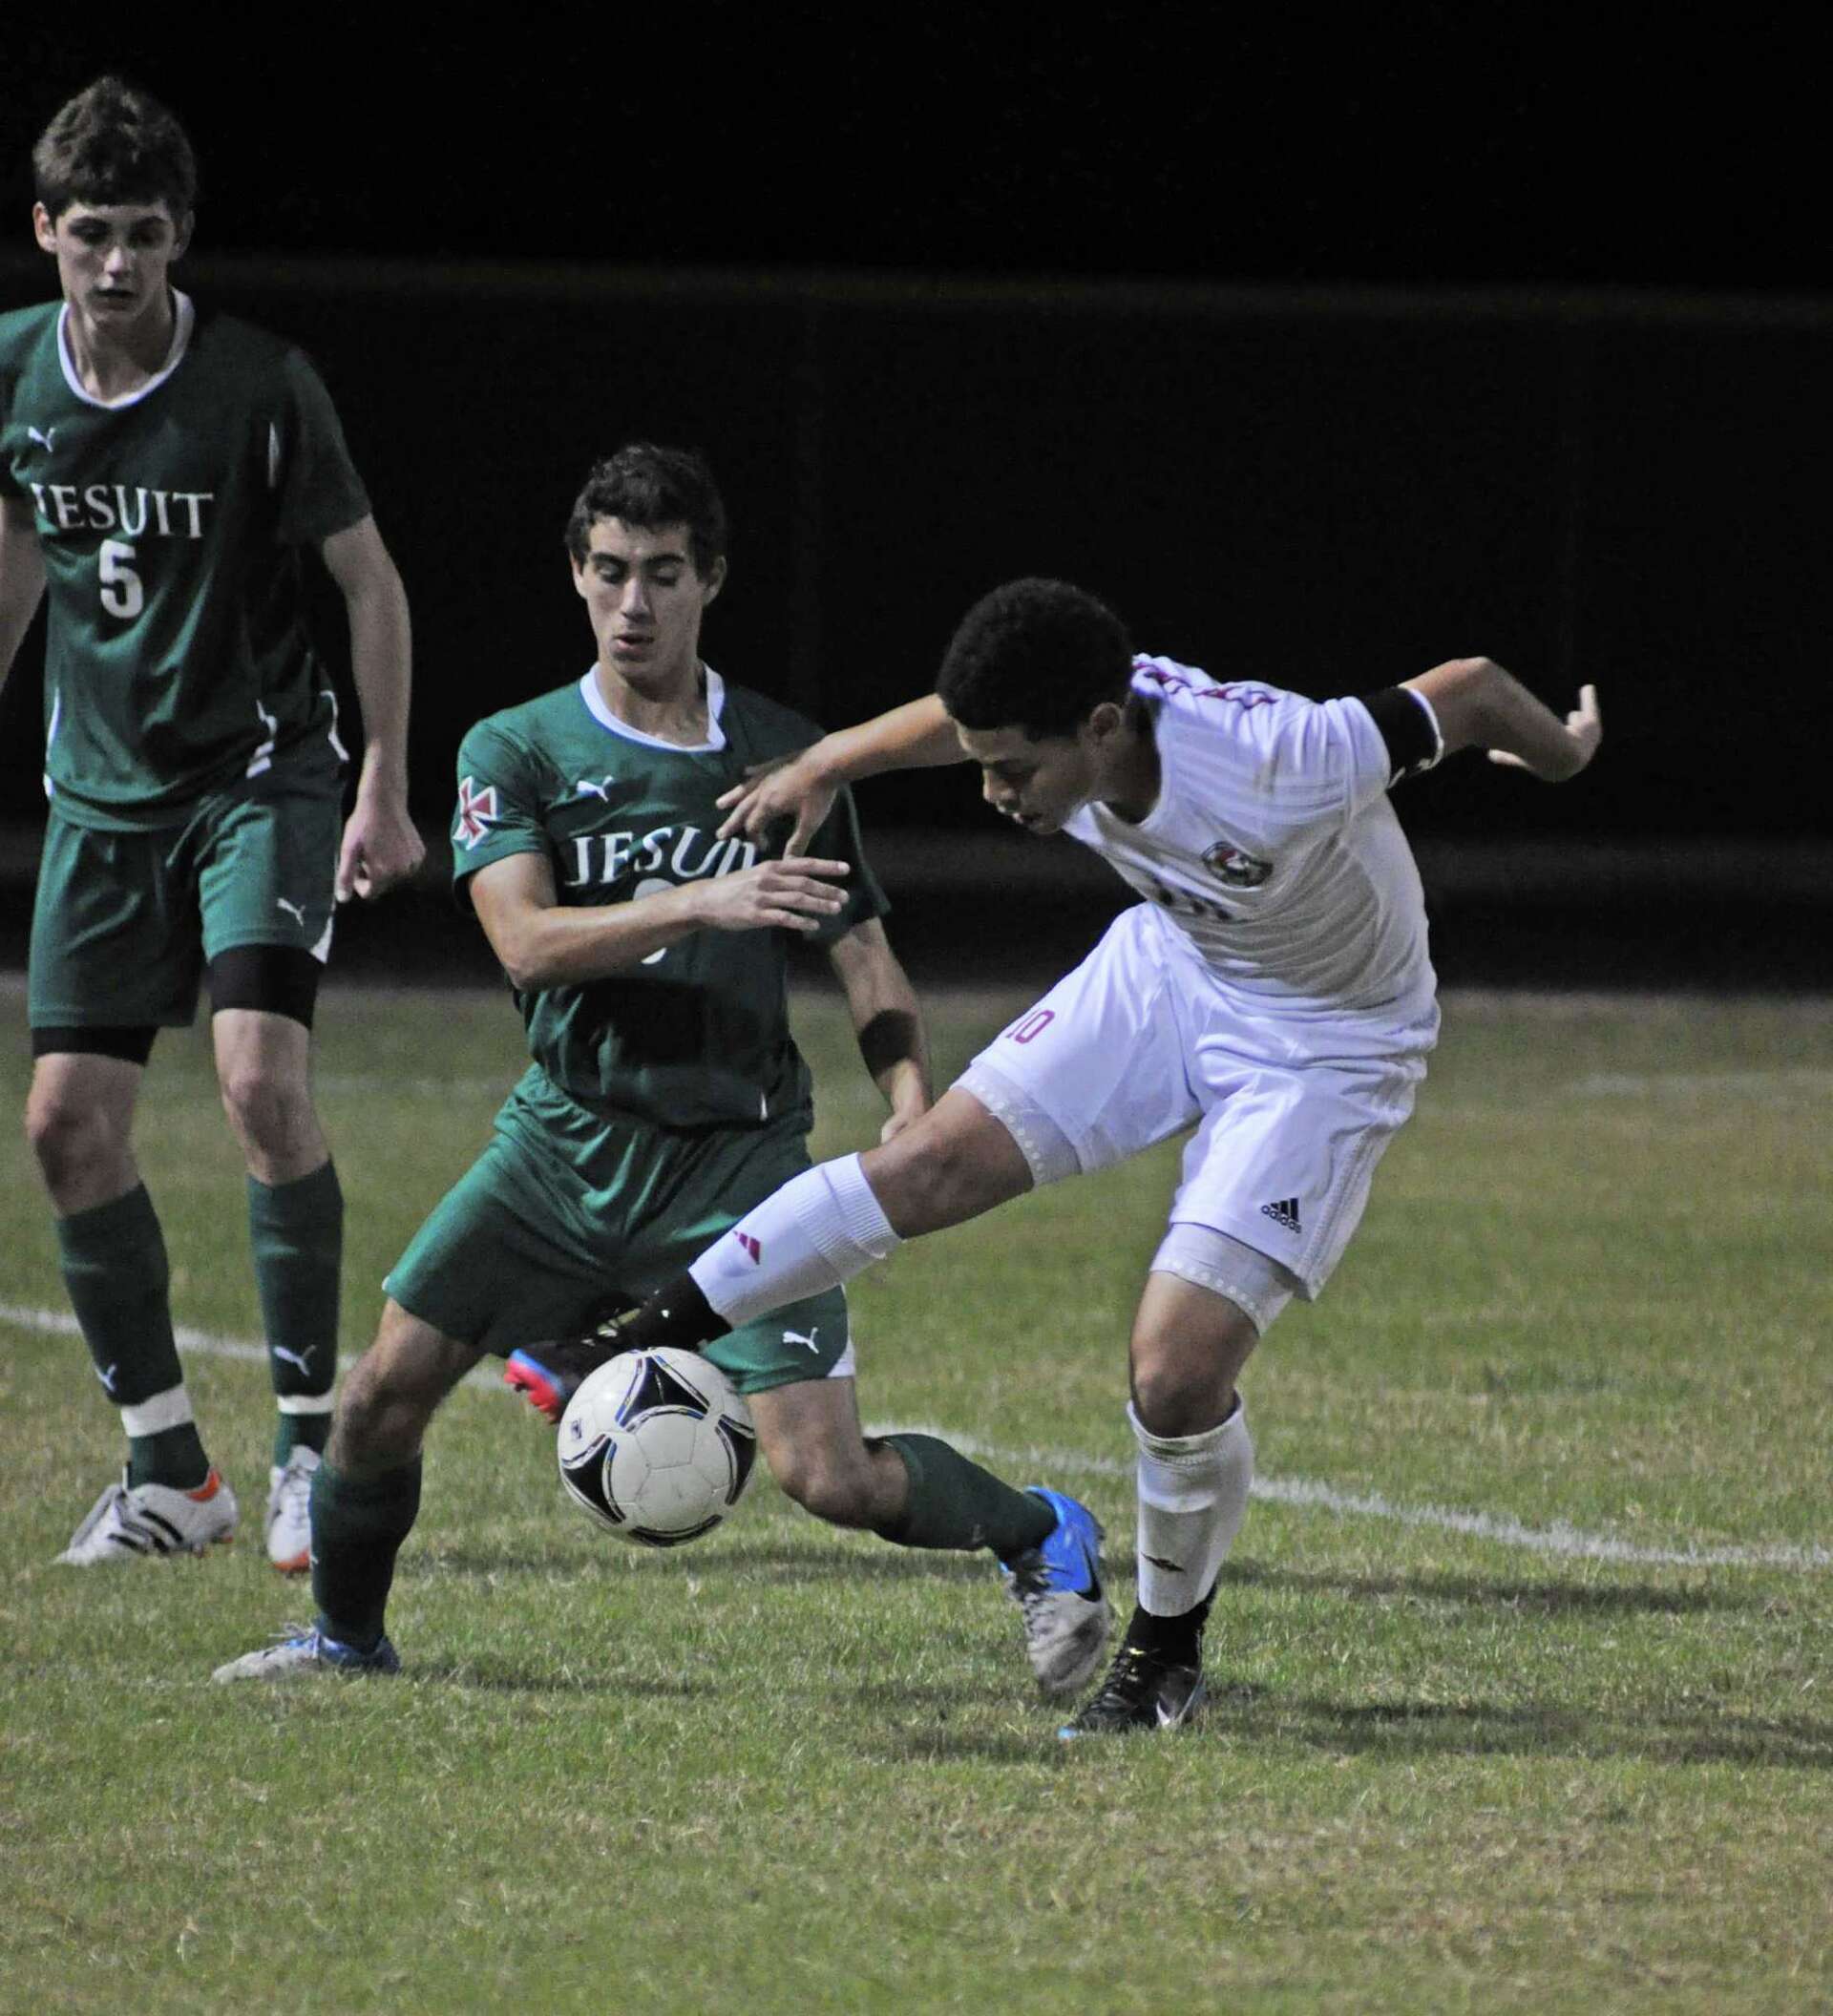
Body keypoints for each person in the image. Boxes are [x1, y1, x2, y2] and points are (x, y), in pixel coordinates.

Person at [504, 577, 1603, 1736]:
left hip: (1329, 1045)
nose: (992, 792)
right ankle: (635, 1337)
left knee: (1175, 1374)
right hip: (1180, 969)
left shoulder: (1281, 756)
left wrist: (1566, 754)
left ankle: (1164, 1652)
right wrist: (831, 760)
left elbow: (1472, 691)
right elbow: (957, 713)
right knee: (928, 1164)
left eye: (1012, 769)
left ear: (1100, 728)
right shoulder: (1065, 717)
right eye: (980, 763)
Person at [214, 446, 1107, 1689]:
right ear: (577, 577)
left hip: (736, 1163)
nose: (636, 605)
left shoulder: (788, 760)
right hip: (558, 1149)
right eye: (613, 573)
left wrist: (909, 1108)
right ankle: (348, 1643)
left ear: (711, 582)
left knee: (826, 1476)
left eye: (665, 575)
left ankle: (1042, 1532)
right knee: (377, 1403)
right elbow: (524, 944)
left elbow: (867, 964)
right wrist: (704, 900)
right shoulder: (513, 748)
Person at [0, 78, 423, 1572]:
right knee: (64, 1127)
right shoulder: (11, 377)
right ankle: (171, 1473)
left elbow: (368, 583)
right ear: (45, 230)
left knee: (257, 1081)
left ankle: (311, 1448)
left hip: (258, 780)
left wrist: (380, 780)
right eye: (92, 233)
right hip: (98, 803)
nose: (119, 264)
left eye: (148, 236)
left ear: (182, 240)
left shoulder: (256, 384)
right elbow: (18, 558)